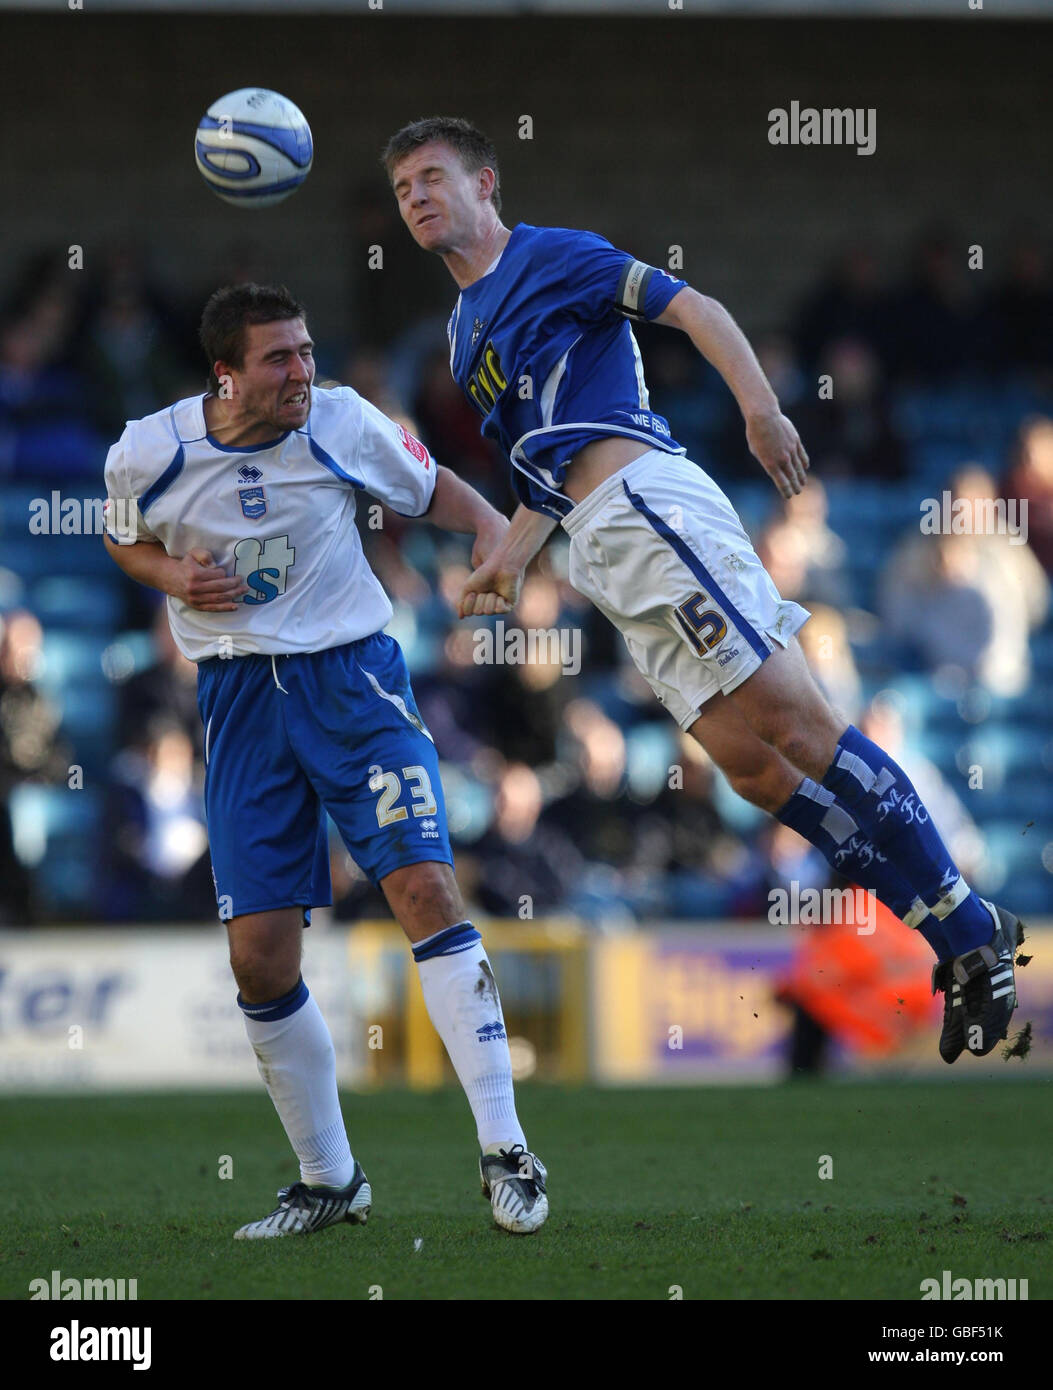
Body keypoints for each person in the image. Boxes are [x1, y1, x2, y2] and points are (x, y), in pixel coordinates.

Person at [383, 117, 1027, 1064]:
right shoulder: (460, 331)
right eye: (402, 191)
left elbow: (694, 308)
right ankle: (957, 938)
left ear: (485, 182)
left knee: (800, 727)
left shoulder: (553, 256)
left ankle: (972, 929)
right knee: (755, 769)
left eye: (432, 177)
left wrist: (760, 410)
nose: (417, 199)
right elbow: (542, 477)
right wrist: (509, 559)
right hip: (598, 551)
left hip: (648, 510)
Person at [102, 282, 547, 1238]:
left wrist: (485, 537)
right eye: (278, 358)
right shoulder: (151, 449)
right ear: (226, 375)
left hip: (354, 685)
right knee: (258, 961)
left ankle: (507, 1149)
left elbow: (436, 492)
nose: (302, 370)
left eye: (305, 350)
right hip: (237, 701)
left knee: (425, 888)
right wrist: (172, 572)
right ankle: (329, 1180)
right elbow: (121, 537)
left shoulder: (341, 421)